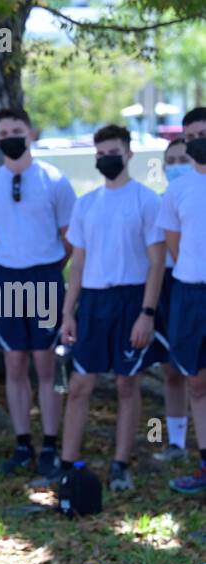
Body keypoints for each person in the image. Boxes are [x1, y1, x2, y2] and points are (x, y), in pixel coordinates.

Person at [58, 124, 165, 493]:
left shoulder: (146, 200)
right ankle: (66, 465)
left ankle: (121, 465)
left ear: (129, 153)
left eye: (113, 152)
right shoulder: (86, 204)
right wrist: (68, 313)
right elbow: (79, 266)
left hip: (131, 301)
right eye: (100, 153)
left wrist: (147, 313)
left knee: (126, 384)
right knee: (79, 386)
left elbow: (156, 263)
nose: (106, 159)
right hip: (93, 303)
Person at [0, 107, 77, 478]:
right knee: (14, 363)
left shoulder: (54, 180)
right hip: (5, 279)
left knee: (44, 363)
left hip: (46, 276)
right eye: (3, 131)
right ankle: (22, 443)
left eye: (17, 129)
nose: (10, 136)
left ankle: (50, 443)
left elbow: (70, 238)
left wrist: (45, 266)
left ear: (30, 133)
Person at [159, 107, 206, 493]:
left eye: (202, 133)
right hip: (189, 294)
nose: (197, 142)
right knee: (196, 382)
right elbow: (174, 247)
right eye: (191, 137)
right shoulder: (178, 189)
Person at [151, 136, 194, 465]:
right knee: (171, 370)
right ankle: (175, 442)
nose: (177, 166)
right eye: (171, 160)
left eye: (183, 158)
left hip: (193, 286)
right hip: (166, 288)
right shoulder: (158, 201)